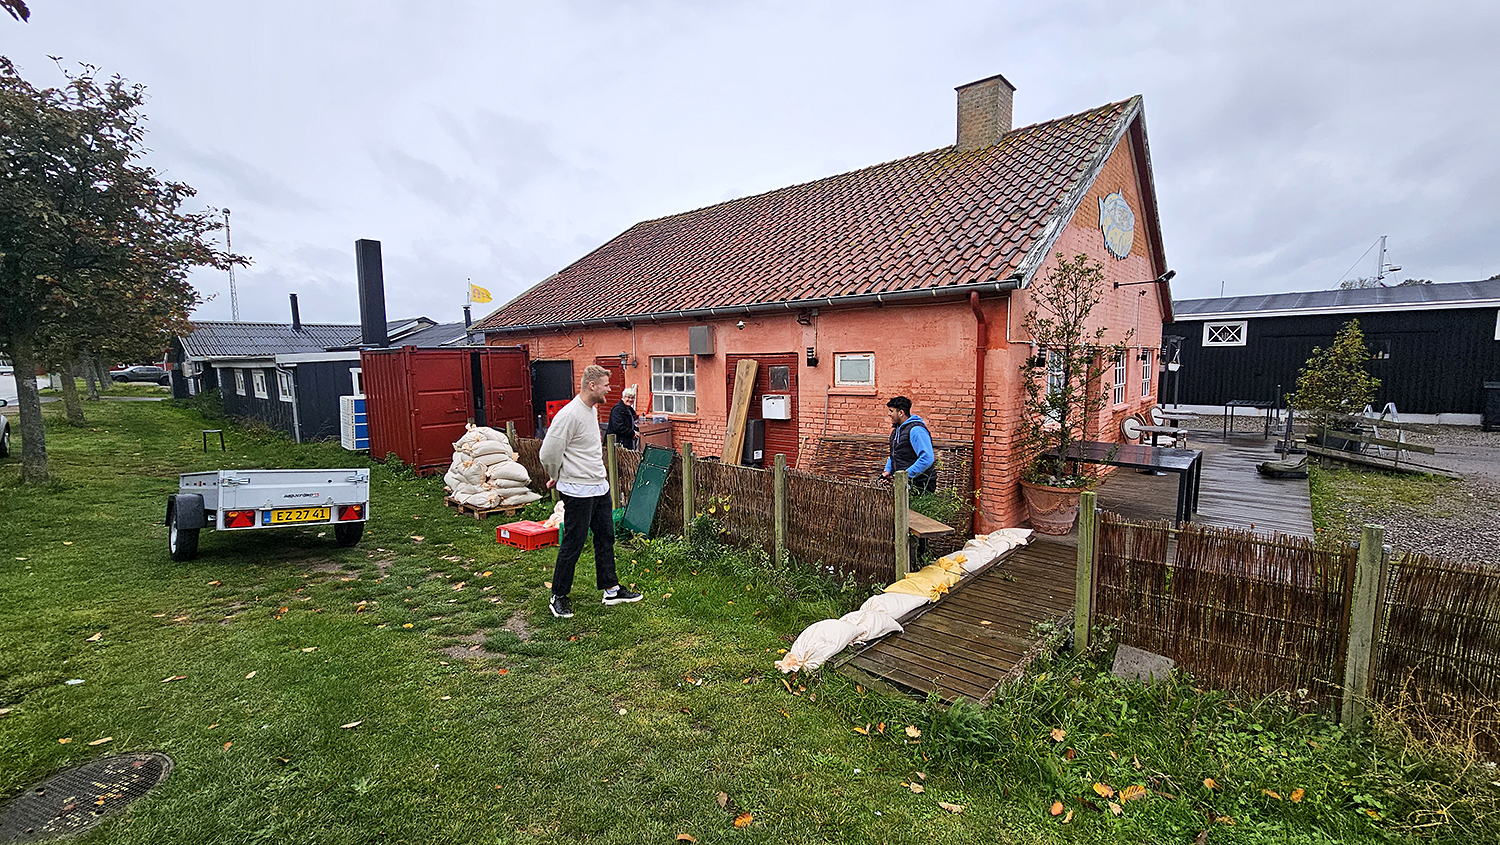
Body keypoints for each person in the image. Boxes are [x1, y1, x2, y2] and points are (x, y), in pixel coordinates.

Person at [539, 364, 642, 618]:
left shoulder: (591, 411)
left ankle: (611, 589)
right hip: (577, 491)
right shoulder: (569, 414)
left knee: (605, 537)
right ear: (592, 385)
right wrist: (556, 475)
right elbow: (548, 453)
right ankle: (558, 596)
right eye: (606, 384)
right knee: (573, 542)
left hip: (599, 487)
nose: (610, 388)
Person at [880, 396, 937, 494]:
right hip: (903, 483)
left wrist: (906, 475)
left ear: (901, 413)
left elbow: (927, 458)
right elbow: (894, 454)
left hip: (920, 485)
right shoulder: (896, 432)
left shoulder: (916, 430)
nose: (889, 414)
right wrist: (887, 470)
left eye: (891, 411)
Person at [606, 385, 639, 450]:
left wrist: (637, 431)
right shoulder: (617, 410)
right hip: (617, 443)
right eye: (628, 397)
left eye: (632, 398)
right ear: (623, 397)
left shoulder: (630, 410)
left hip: (626, 441)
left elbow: (630, 424)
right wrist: (632, 433)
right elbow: (618, 427)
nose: (630, 400)